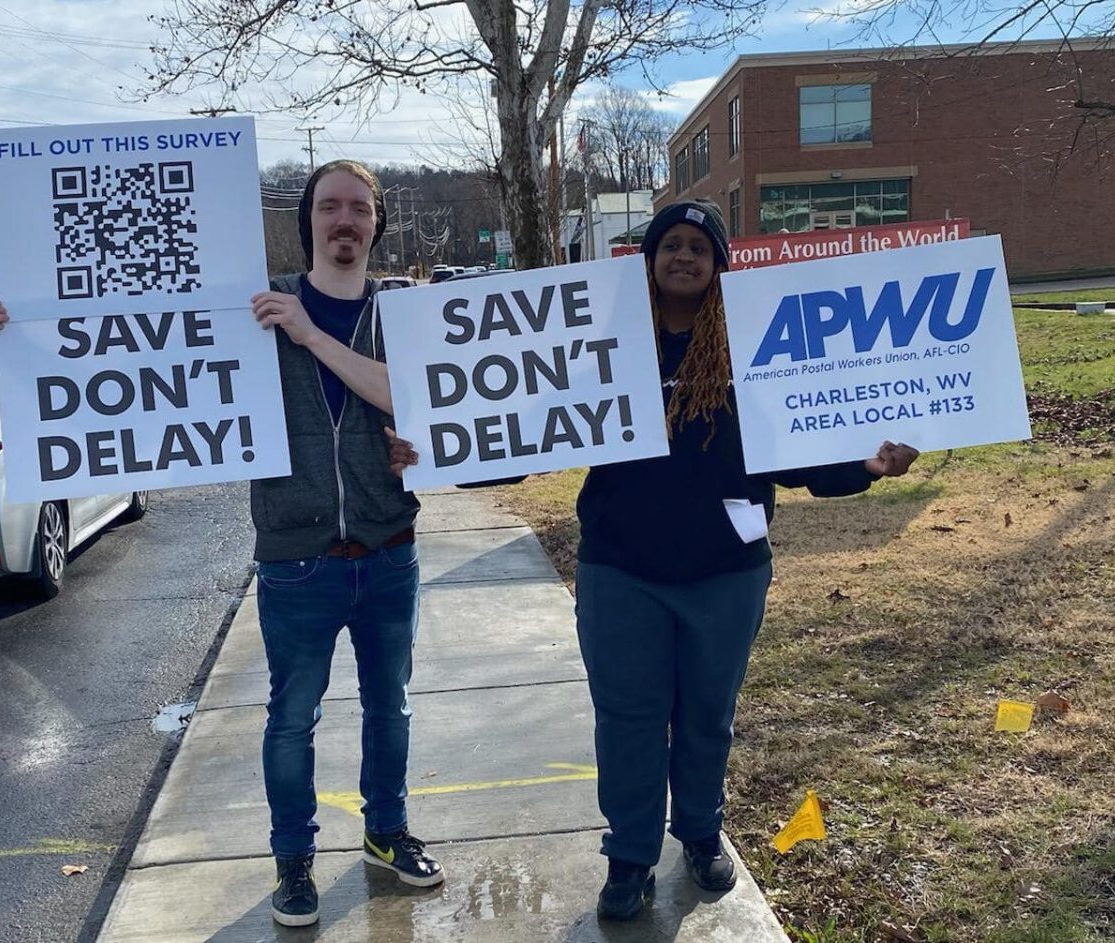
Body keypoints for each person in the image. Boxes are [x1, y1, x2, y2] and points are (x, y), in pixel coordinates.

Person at [388, 199, 917, 922]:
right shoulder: (602, 343)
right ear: (649, 256)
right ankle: (630, 854)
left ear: (720, 265)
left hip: (725, 573)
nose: (684, 257)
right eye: (671, 243)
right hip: (622, 570)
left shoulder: (753, 348)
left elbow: (798, 454)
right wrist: (439, 449)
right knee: (629, 719)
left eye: (700, 247)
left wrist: (867, 463)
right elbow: (526, 434)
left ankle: (700, 833)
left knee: (707, 715)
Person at [0, 158, 444, 929]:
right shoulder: (252, 308)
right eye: (330, 206)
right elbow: (124, 333)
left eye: (359, 207)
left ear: (378, 221)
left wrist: (407, 439)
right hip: (295, 560)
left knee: (390, 707)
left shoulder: (398, 316)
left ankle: (386, 834)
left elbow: (411, 400)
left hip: (390, 549)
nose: (345, 220)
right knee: (292, 718)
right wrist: (18, 326)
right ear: (309, 220)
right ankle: (293, 861)